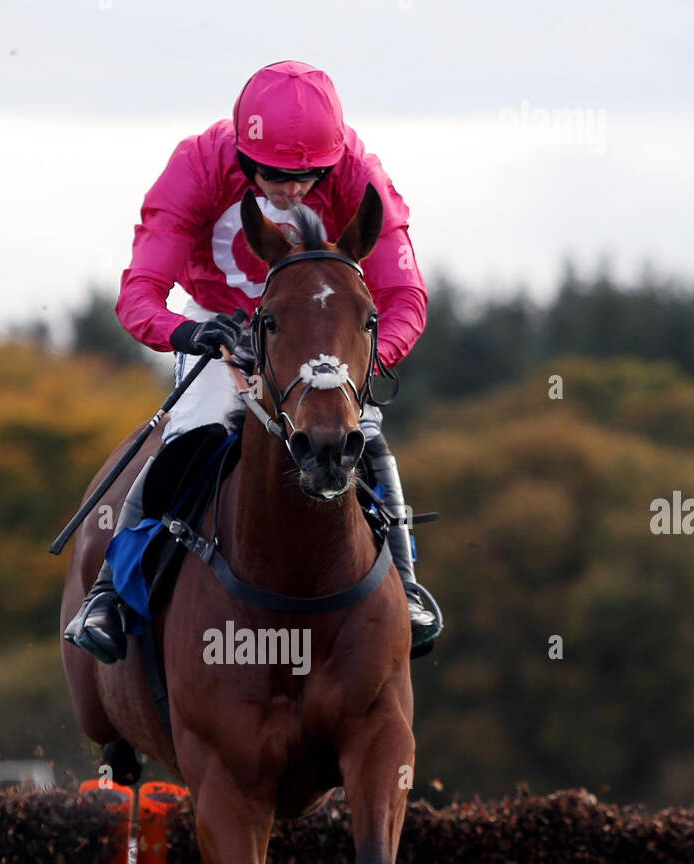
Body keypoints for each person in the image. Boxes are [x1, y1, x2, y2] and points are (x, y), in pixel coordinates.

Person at [65, 59, 442, 664]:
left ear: (334, 158)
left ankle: (407, 583)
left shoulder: (357, 173)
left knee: (362, 433)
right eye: (275, 174)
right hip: (222, 330)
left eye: (311, 176)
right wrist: (188, 332)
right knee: (190, 432)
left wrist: (364, 366)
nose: (293, 191)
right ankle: (110, 592)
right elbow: (138, 297)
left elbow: (405, 298)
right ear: (243, 154)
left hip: (314, 343)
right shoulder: (195, 167)